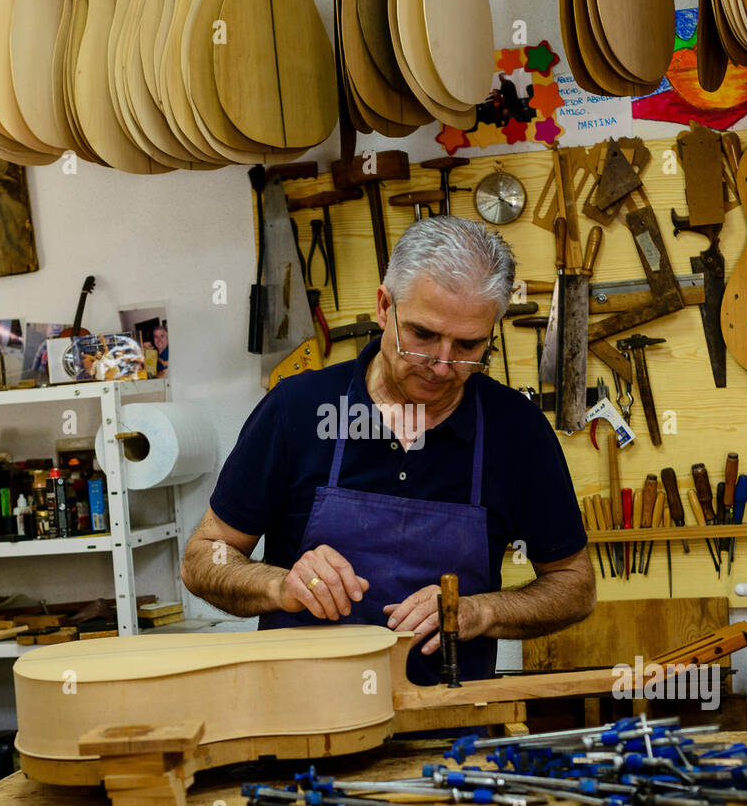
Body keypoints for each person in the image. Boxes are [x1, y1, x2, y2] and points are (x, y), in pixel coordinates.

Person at [182, 217, 595, 683]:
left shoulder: (515, 429)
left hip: (451, 717)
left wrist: (482, 612)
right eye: (422, 335)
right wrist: (279, 585)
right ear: (384, 307)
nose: (442, 365)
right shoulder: (296, 408)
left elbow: (574, 586)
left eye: (468, 345)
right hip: (303, 713)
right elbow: (204, 557)